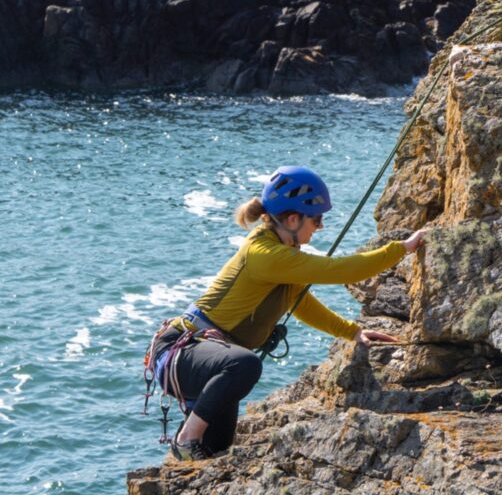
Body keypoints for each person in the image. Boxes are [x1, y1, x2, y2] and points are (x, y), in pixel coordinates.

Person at [145, 165, 427, 461]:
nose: (320, 227)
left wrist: (352, 331)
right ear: (293, 219)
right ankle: (187, 436)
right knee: (245, 365)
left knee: (216, 450)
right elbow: (340, 269)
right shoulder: (265, 254)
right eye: (316, 219)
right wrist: (401, 249)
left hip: (210, 361)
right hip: (181, 353)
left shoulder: (282, 255)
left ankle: (190, 445)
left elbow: (301, 303)